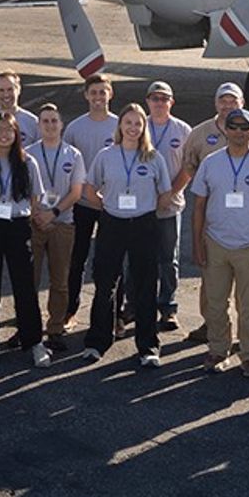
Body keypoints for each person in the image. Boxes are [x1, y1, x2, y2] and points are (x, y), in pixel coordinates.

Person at [189, 106, 249, 377]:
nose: (239, 133)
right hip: (216, 243)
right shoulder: (211, 162)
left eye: (245, 128)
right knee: (216, 303)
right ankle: (218, 350)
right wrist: (197, 244)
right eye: (234, 127)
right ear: (225, 131)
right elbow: (198, 207)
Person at [81, 105, 169, 365]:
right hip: (112, 223)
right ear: (120, 126)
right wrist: (108, 207)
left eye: (137, 124)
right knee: (105, 283)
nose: (132, 128)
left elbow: (164, 193)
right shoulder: (106, 155)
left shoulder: (154, 158)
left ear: (144, 128)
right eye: (127, 123)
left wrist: (146, 209)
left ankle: (148, 347)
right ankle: (97, 342)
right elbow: (89, 189)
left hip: (143, 224)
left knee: (144, 285)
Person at [0, 113, 51, 368]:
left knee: (24, 285)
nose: (4, 134)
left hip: (18, 225)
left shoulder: (28, 163)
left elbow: (35, 197)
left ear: (17, 134)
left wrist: (22, 216)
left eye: (9, 130)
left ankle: (34, 341)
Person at [62, 76, 119, 328]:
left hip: (112, 206)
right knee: (76, 259)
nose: (98, 97)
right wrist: (85, 193)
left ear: (110, 94)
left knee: (112, 262)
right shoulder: (75, 128)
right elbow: (68, 167)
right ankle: (68, 310)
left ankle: (114, 316)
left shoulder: (121, 125)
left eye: (102, 92)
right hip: (83, 204)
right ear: (86, 95)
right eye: (93, 92)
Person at [27, 104, 85, 353]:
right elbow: (23, 188)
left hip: (62, 222)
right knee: (29, 279)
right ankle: (27, 327)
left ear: (61, 125)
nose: (50, 125)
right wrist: (37, 214)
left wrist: (54, 213)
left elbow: (76, 191)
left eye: (54, 121)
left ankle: (55, 328)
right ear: (39, 126)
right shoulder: (27, 154)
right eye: (45, 121)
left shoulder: (73, 155)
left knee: (60, 280)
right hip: (34, 223)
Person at [143, 82, 193, 332]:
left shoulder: (183, 130)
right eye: (155, 98)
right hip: (141, 206)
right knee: (138, 257)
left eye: (164, 98)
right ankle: (137, 304)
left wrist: (170, 193)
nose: (159, 103)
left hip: (170, 205)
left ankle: (168, 307)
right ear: (148, 101)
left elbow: (188, 167)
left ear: (171, 103)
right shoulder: (139, 126)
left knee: (168, 258)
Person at [0, 71, 40, 144]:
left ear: (18, 90)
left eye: (10, 89)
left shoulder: (33, 122)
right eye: (1, 90)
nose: (6, 94)